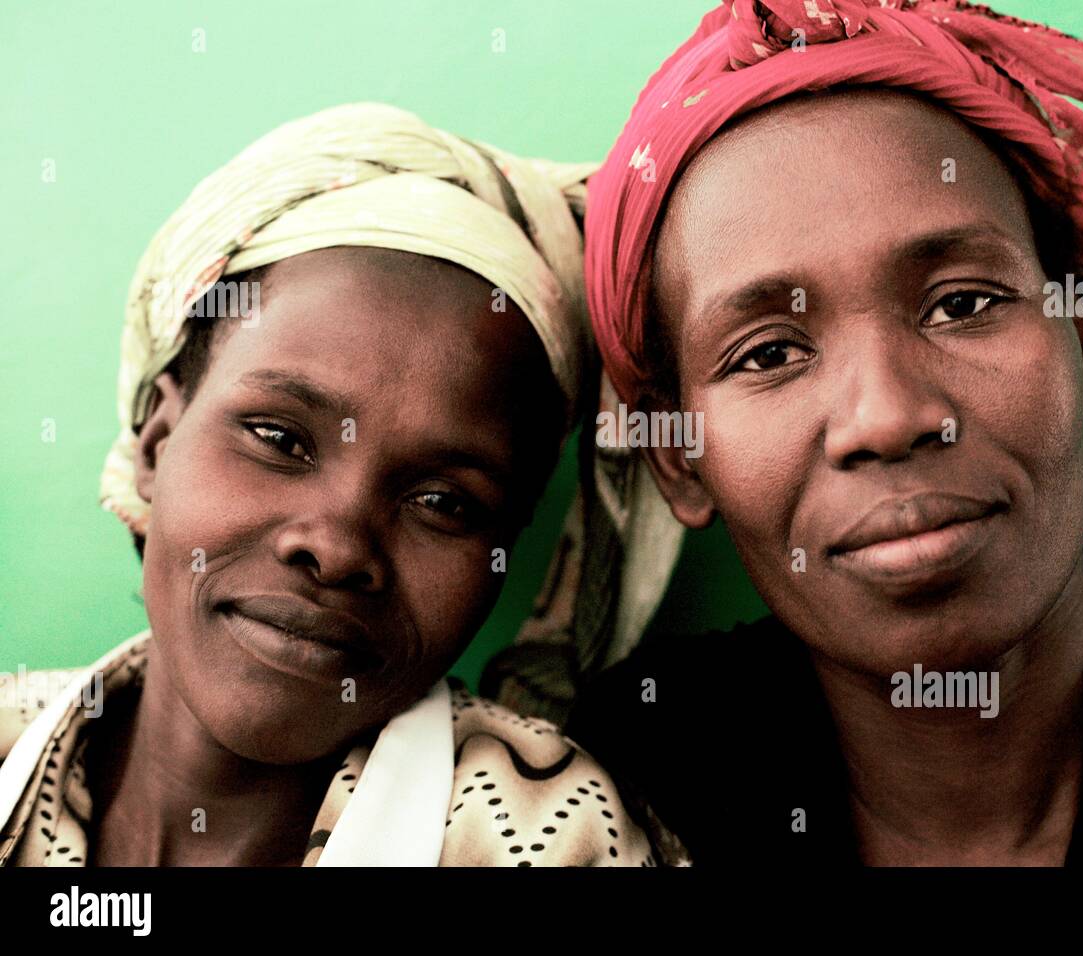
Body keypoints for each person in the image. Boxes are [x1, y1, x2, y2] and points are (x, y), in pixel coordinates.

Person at [564, 0, 1083, 866]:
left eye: (962, 304)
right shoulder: (612, 797)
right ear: (677, 455)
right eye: (768, 354)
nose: (888, 417)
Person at [0, 103, 663, 867]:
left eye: (444, 502)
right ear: (155, 444)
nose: (338, 546)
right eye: (279, 439)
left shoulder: (563, 844)